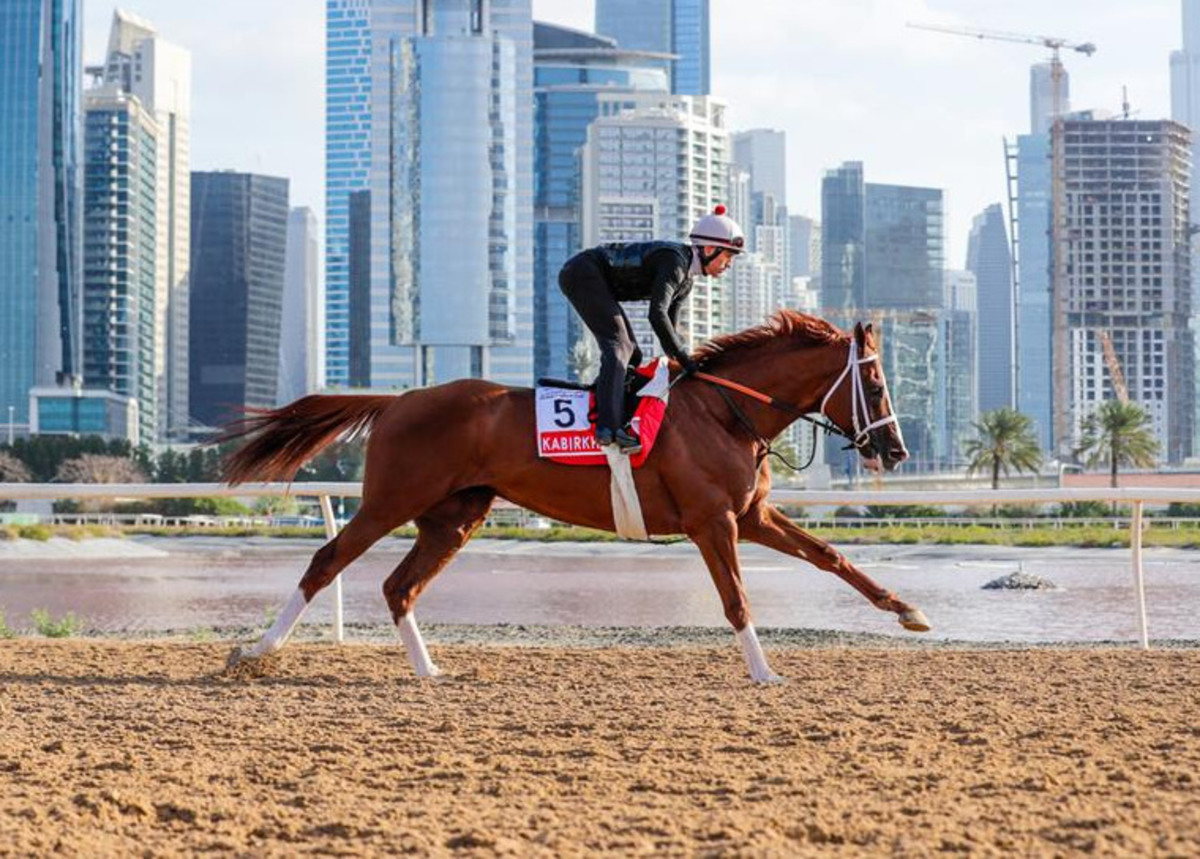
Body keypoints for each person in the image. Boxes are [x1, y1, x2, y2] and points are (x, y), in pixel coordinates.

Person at [558, 204, 744, 454]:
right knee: (620, 348)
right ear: (710, 249)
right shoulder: (675, 263)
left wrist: (680, 362)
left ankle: (613, 408)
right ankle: (607, 428)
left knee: (633, 354)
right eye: (727, 257)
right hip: (582, 272)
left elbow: (670, 327)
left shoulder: (685, 281)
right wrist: (683, 358)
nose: (728, 264)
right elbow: (656, 315)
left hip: (595, 279)